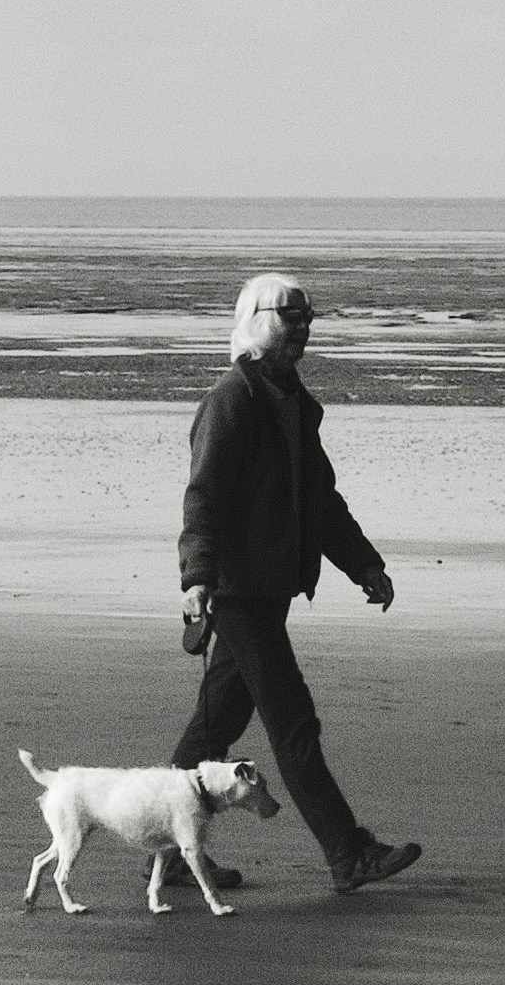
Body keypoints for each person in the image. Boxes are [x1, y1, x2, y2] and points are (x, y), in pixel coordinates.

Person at [173, 272, 421, 893]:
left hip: (269, 589)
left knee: (213, 726)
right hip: (239, 592)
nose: (305, 330)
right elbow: (202, 496)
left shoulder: (292, 406)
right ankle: (348, 853)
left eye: (309, 319)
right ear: (259, 324)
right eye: (293, 320)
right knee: (293, 723)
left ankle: (170, 852)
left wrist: (364, 564)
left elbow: (321, 502)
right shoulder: (230, 401)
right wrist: (197, 577)